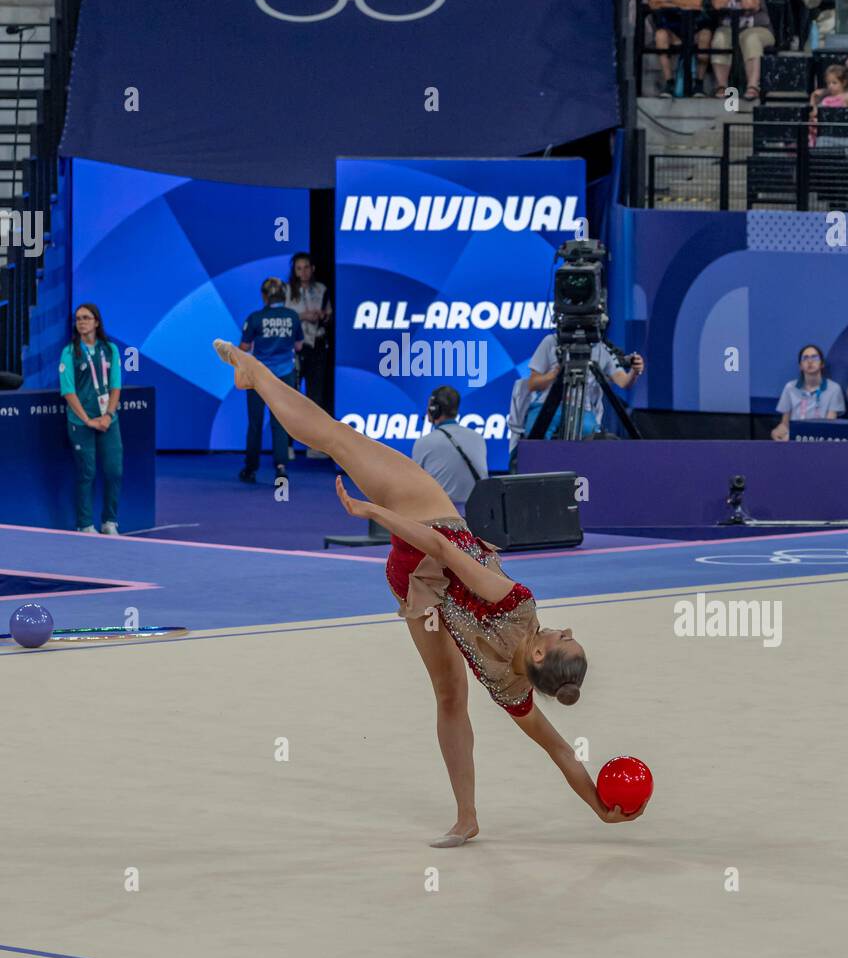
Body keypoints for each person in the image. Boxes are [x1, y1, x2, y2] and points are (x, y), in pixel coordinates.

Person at [213, 339, 649, 844]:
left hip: (425, 527)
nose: (564, 628)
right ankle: (466, 818)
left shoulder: (515, 603)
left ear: (537, 650)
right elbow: (561, 752)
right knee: (449, 697)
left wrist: (375, 513)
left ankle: (257, 377)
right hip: (416, 588)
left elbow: (443, 549)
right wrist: (599, 805)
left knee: (336, 438)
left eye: (562, 638)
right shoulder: (514, 690)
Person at [59, 304, 123, 535]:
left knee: (114, 470)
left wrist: (107, 415)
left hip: (108, 421)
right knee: (87, 473)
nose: (81, 322)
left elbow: (115, 386)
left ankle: (109, 521)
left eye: (86, 318)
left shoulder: (110, 349)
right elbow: (68, 391)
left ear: (97, 322)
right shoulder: (70, 352)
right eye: (78, 319)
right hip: (81, 422)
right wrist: (87, 420)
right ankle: (85, 524)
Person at [237, 278, 303, 484]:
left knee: (255, 422)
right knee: (280, 423)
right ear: (283, 295)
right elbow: (299, 346)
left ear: (264, 296)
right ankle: (281, 467)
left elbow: (244, 348)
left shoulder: (255, 318)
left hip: (258, 377)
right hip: (284, 376)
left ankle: (250, 469)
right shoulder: (293, 317)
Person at [522, 333, 644, 438]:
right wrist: (554, 374)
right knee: (535, 439)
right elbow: (533, 384)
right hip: (546, 406)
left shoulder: (602, 349)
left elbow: (623, 382)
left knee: (590, 440)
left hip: (583, 409)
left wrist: (634, 372)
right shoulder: (551, 341)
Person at [709, 0, 775, 101]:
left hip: (759, 29)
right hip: (730, 28)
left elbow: (748, 4)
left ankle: (753, 86)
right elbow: (717, 4)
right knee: (719, 37)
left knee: (750, 38)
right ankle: (722, 86)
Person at [411, 386, 488, 511]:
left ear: (434, 409)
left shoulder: (423, 443)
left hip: (441, 517)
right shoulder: (478, 438)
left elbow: (415, 486)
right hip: (477, 515)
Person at [648, 0, 714, 98]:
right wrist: (683, 3)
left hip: (696, 27)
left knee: (705, 35)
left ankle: (699, 84)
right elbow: (653, 3)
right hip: (673, 29)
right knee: (660, 35)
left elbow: (697, 2)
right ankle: (669, 83)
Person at [285, 251, 331, 455]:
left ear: (312, 269)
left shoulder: (322, 290)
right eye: (298, 268)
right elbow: (284, 316)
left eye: (306, 268)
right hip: (295, 347)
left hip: (317, 345)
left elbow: (329, 315)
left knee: (315, 397)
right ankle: (286, 445)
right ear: (294, 271)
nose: (303, 272)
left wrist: (323, 316)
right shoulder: (287, 291)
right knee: (290, 397)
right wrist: (304, 315)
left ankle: (315, 446)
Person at [771, 344, 845, 438]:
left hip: (820, 439)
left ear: (822, 364)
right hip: (795, 439)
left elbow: (829, 425)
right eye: (805, 358)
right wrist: (778, 432)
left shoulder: (834, 389)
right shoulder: (790, 388)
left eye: (814, 357)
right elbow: (785, 424)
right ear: (800, 366)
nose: (810, 361)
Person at [807, 62, 848, 144]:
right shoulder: (826, 99)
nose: (830, 86)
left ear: (844, 82)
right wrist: (813, 97)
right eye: (828, 83)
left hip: (839, 131)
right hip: (823, 130)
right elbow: (813, 114)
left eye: (834, 83)